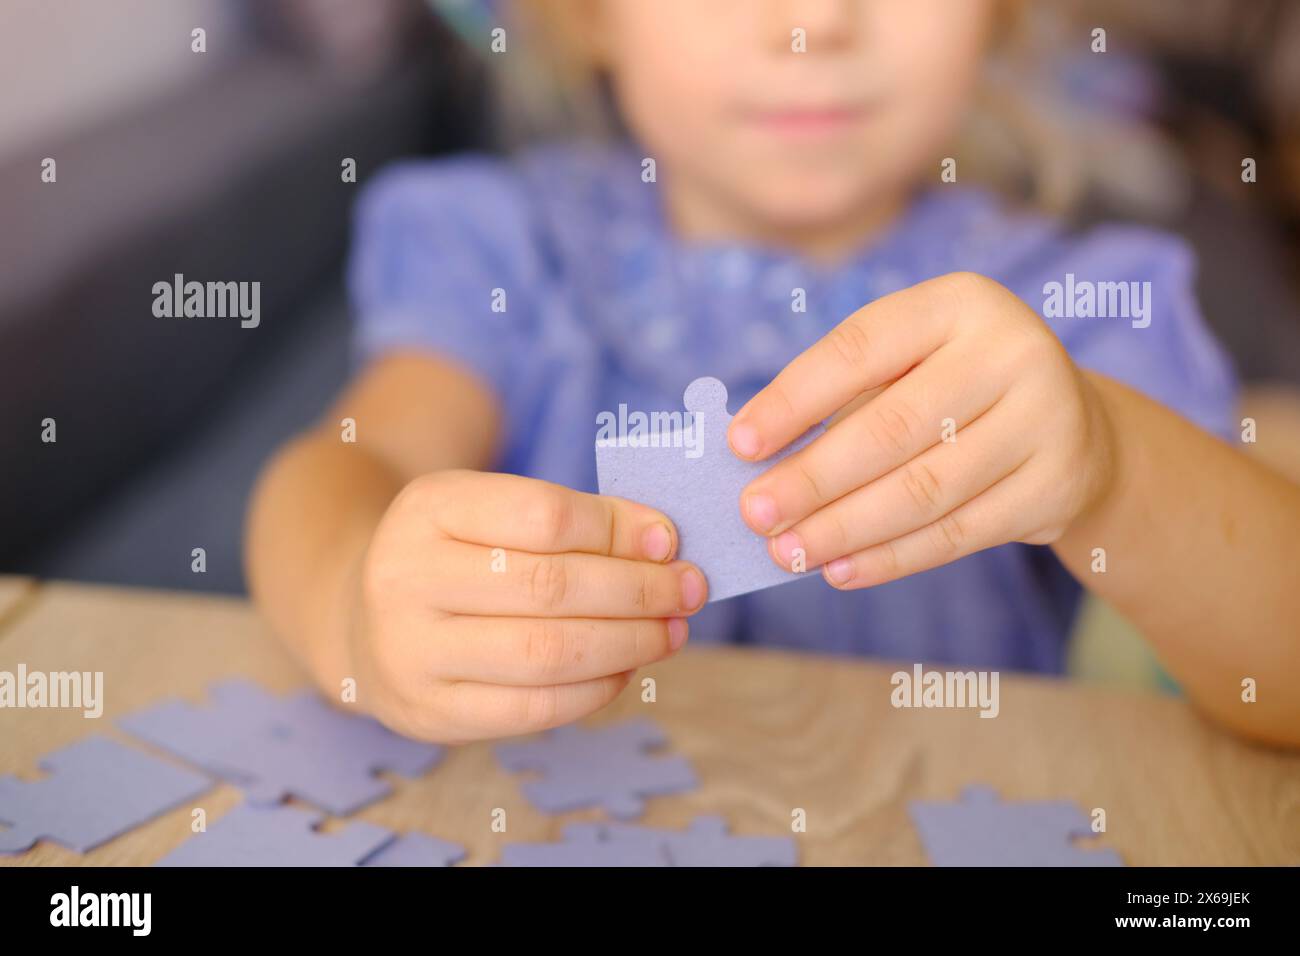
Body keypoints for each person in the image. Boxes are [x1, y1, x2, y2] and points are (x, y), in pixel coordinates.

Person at [245, 0, 1300, 746]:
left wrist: (1111, 463)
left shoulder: (1074, 302)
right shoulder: (500, 249)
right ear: (591, 12)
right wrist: (353, 608)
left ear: (999, 12)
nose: (816, 21)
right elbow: (352, 461)